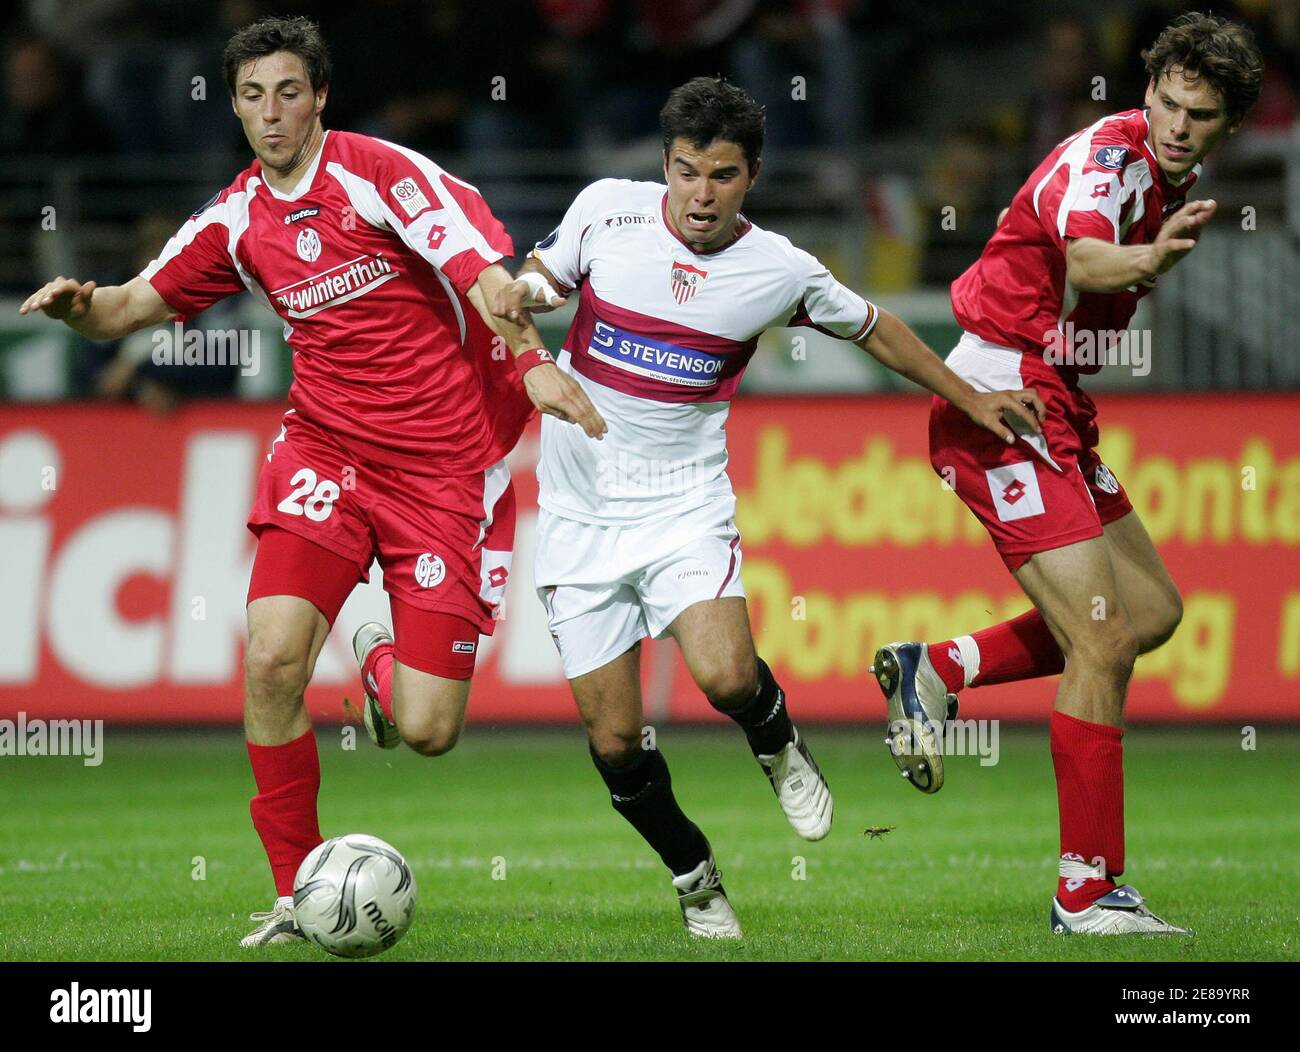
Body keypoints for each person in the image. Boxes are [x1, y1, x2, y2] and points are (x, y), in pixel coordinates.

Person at [18, 15, 604, 947]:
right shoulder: (238, 217)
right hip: (326, 454)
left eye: (288, 92)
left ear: (320, 96)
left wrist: (532, 362)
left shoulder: (384, 177)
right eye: (251, 96)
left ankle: (377, 658)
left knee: (427, 729)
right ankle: (296, 892)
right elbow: (132, 304)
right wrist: (84, 310)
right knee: (271, 657)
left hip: (447, 468)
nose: (270, 113)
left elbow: (487, 275)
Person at [491, 77, 1042, 938]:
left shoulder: (779, 269)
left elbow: (878, 329)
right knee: (614, 745)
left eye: (720, 176)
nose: (699, 196)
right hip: (576, 513)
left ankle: (779, 745)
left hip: (682, 504)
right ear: (664, 167)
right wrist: (529, 304)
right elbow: (535, 278)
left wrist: (968, 395)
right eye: (684, 172)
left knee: (727, 676)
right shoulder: (607, 208)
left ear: (751, 176)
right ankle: (694, 876)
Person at [871, 12, 1264, 935]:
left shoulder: (1179, 175)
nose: (1174, 126)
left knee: (1152, 615)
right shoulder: (1112, 163)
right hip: (997, 394)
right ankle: (1086, 891)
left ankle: (942, 665)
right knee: (1102, 638)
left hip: (1053, 398)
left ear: (1226, 122)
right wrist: (1149, 257)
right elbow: (1087, 256)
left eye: (1197, 115)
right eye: (1165, 102)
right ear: (1148, 89)